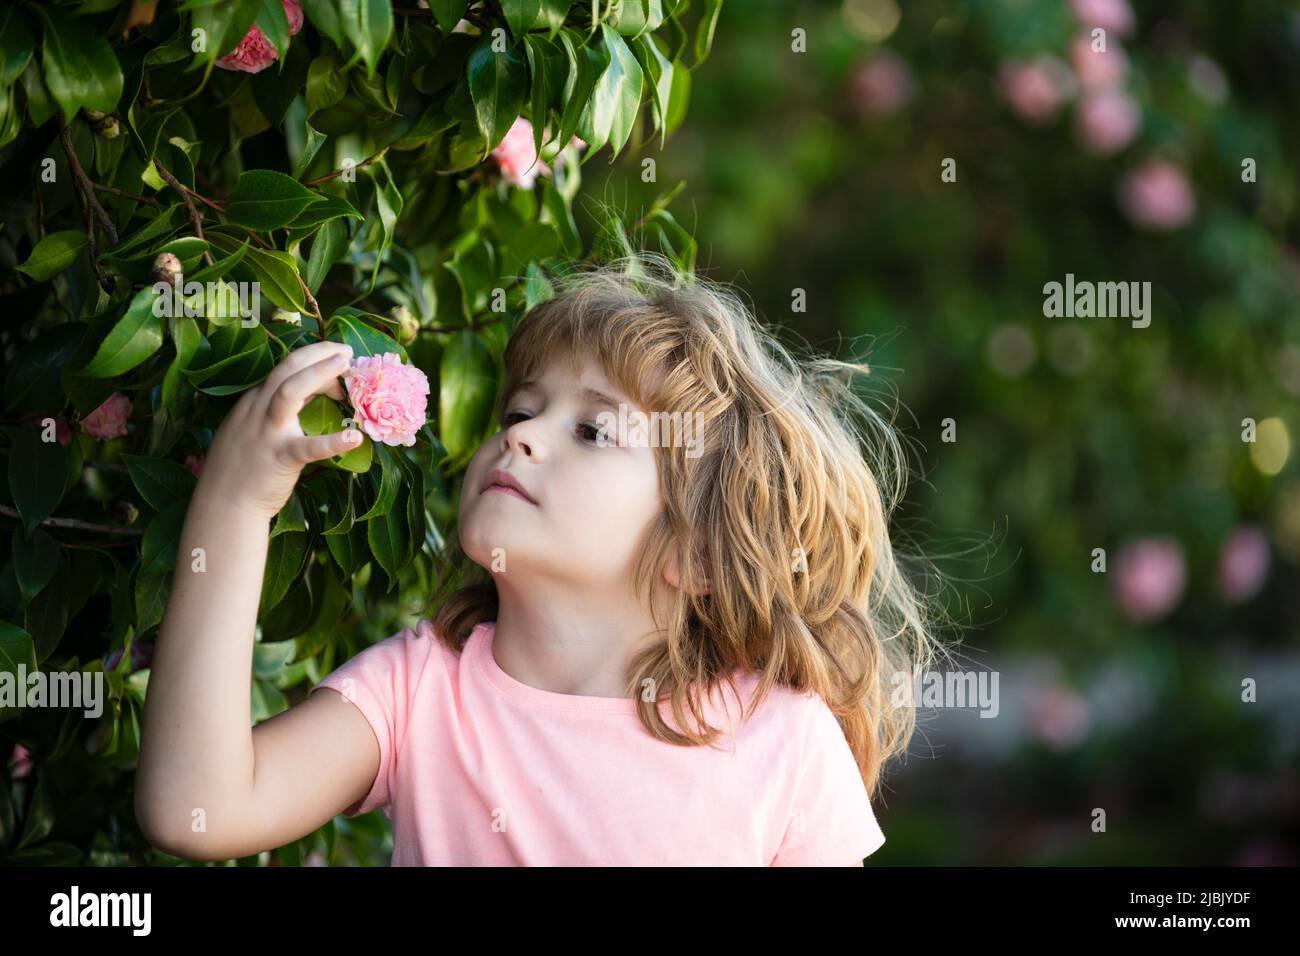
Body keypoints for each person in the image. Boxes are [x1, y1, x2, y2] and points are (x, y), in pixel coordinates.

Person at [135, 251, 943, 865]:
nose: (519, 433)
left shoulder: (782, 741)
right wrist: (235, 506)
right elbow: (196, 809)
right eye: (523, 408)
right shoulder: (420, 695)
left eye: (592, 431)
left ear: (697, 554)